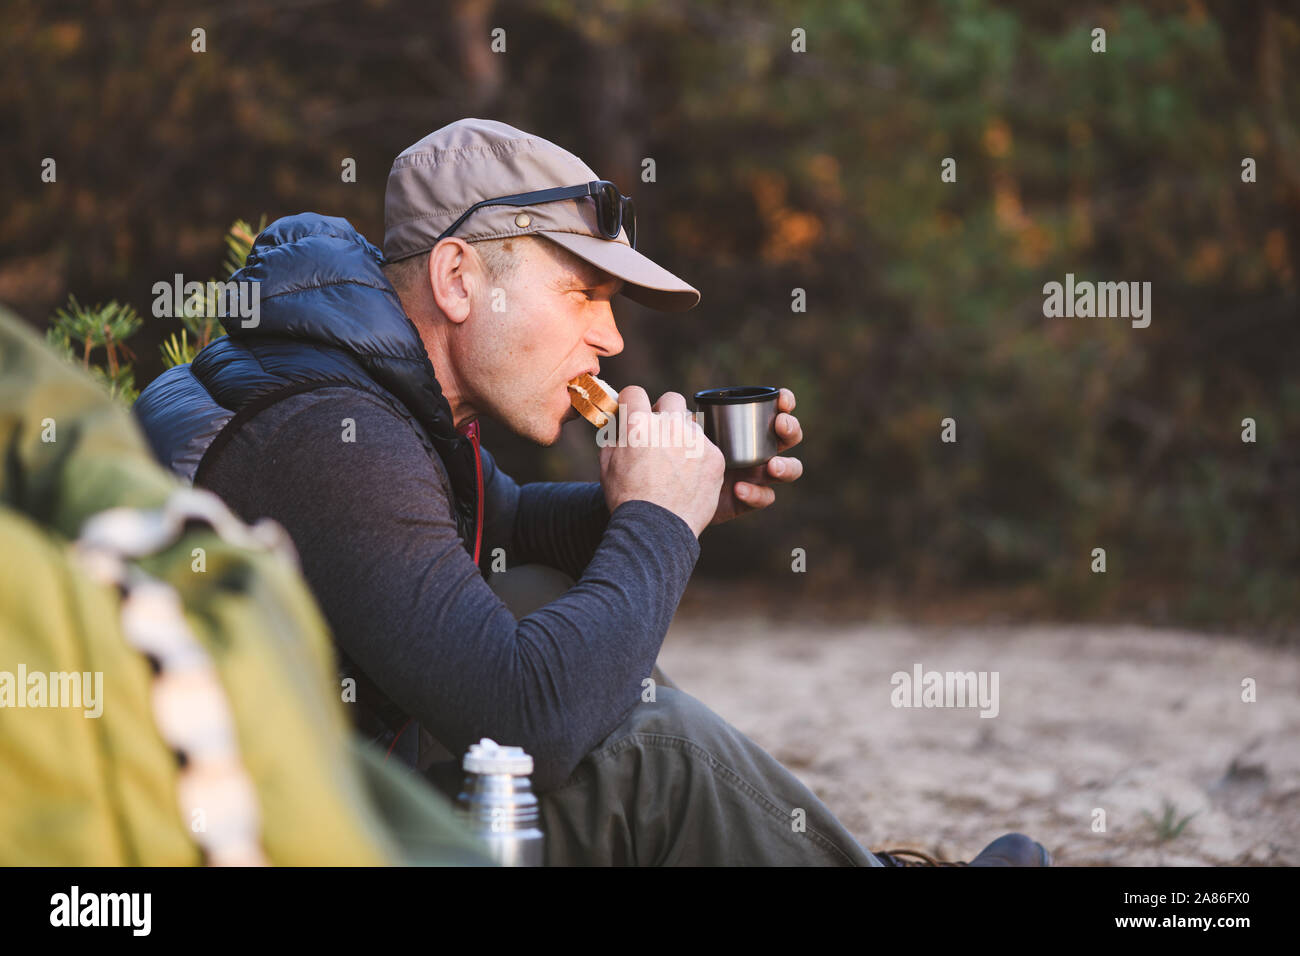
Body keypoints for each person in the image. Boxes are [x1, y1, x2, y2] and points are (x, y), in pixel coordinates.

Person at [134, 118, 1049, 866]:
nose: (611, 339)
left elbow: (510, 528)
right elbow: (528, 724)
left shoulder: (360, 387)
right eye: (583, 295)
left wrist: (675, 497)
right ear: (459, 280)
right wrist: (655, 520)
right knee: (638, 755)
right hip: (241, 837)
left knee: (534, 589)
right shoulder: (333, 437)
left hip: (287, 787)